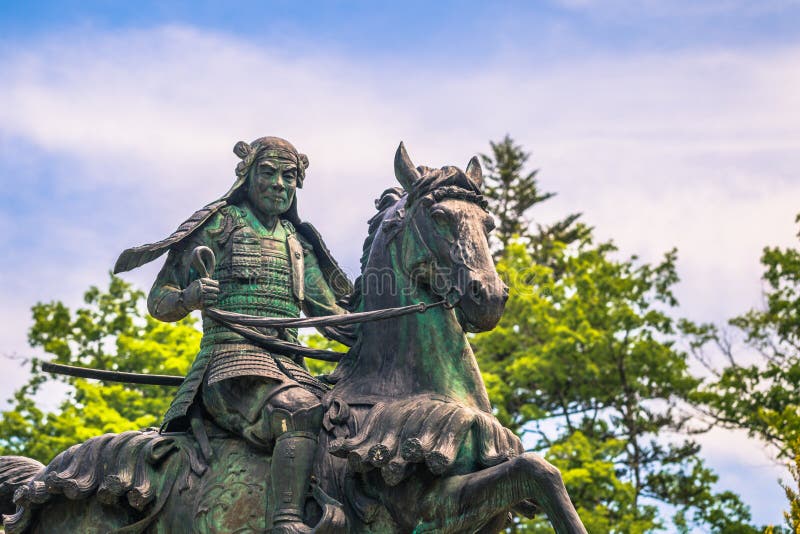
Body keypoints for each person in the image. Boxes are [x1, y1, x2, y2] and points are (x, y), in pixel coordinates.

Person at [114, 137, 354, 533]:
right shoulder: (221, 224)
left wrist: (398, 322)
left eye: (289, 175)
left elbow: (331, 317)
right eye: (269, 172)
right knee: (297, 410)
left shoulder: (297, 242)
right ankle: (286, 520)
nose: (279, 183)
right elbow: (159, 300)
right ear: (247, 175)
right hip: (231, 365)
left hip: (291, 367)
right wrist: (189, 297)